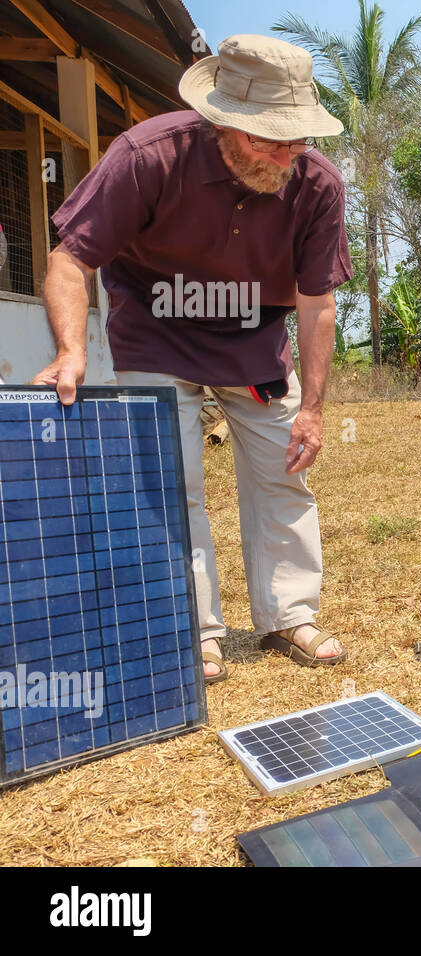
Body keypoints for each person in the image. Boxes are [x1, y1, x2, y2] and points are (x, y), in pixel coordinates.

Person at [32, 35, 352, 683]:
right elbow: (69, 259)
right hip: (155, 334)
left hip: (256, 344)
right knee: (171, 484)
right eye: (269, 137)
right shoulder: (146, 157)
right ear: (223, 122)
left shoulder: (316, 185)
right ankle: (193, 628)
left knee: (282, 474)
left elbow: (318, 305)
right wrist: (69, 351)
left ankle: (289, 614)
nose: (286, 154)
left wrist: (313, 409)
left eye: (297, 137)